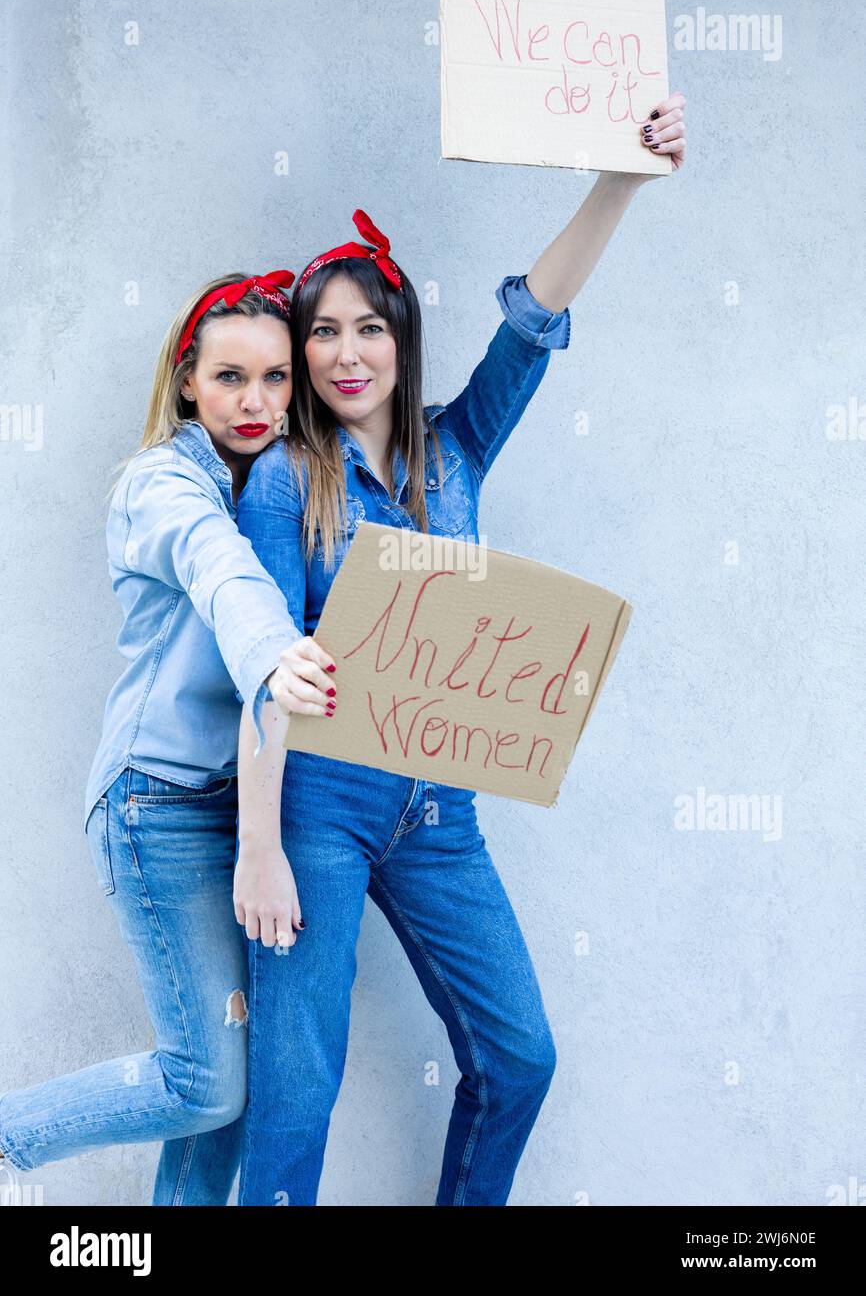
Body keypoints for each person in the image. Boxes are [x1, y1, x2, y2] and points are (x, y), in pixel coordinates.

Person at [231, 96, 687, 1204]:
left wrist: (620, 178)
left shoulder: (456, 450)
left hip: (439, 812)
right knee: (297, 1084)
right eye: (322, 333)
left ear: (401, 339)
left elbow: (534, 315)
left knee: (520, 1056)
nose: (346, 353)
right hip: (319, 809)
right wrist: (259, 846)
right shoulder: (288, 481)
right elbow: (258, 665)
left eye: (368, 327)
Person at [0, 269, 331, 1205]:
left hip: (242, 811)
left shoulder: (276, 484)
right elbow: (215, 567)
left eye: (276, 379)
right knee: (204, 1079)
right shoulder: (162, 486)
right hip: (158, 808)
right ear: (188, 378)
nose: (257, 401)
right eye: (231, 377)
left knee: (231, 1094)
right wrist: (276, 655)